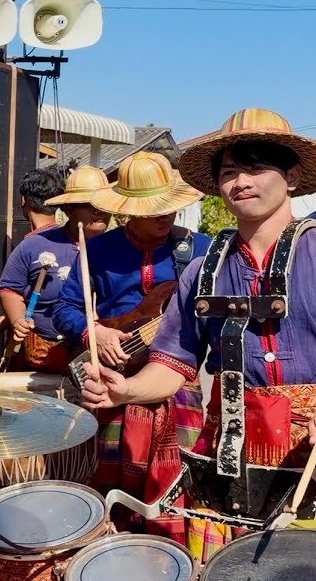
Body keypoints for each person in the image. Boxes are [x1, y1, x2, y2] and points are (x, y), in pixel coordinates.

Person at [83, 108, 316, 562]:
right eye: (230, 172)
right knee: (223, 569)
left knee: (309, 569)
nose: (241, 182)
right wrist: (128, 389)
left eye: (256, 168)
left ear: (292, 177)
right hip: (225, 451)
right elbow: (173, 364)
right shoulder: (202, 270)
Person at [52, 151, 210, 540]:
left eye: (168, 207)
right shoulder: (98, 250)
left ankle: (172, 556)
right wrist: (96, 334)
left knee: (178, 483)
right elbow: (64, 309)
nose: (164, 216)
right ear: (127, 211)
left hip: (176, 383)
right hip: (112, 380)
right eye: (151, 209)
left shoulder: (202, 250)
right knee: (108, 481)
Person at [0, 165, 111, 373]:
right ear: (68, 209)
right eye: (90, 205)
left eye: (104, 204)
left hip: (104, 359)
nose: (99, 211)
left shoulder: (119, 248)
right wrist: (17, 319)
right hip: (44, 359)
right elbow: (9, 287)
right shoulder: (35, 245)